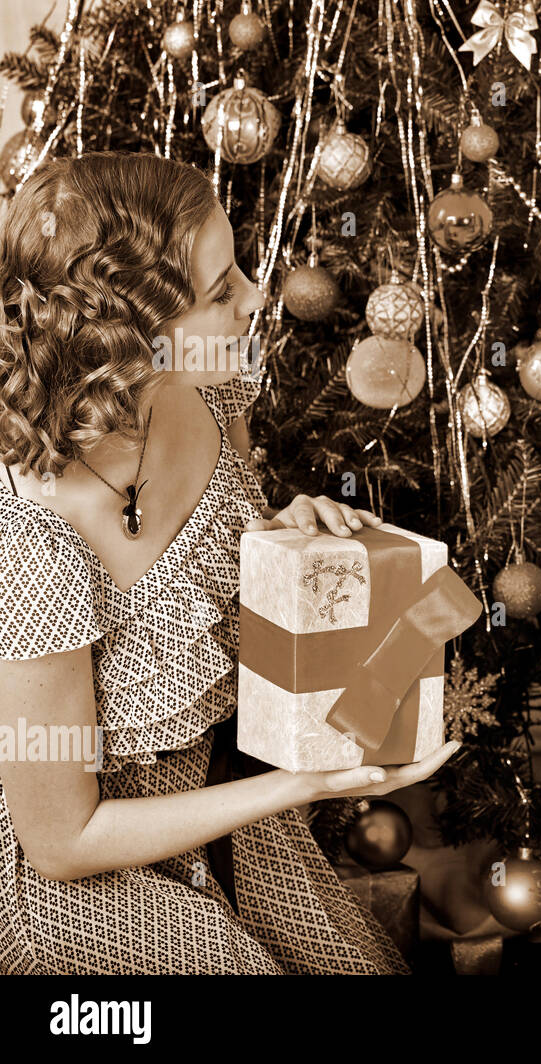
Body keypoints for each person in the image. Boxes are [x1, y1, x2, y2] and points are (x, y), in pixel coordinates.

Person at [0, 151, 458, 974]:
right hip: (84, 864)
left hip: (220, 796)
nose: (255, 296)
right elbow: (62, 842)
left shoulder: (209, 380)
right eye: (221, 291)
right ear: (125, 340)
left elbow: (221, 555)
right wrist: (306, 785)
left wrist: (281, 534)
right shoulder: (31, 547)